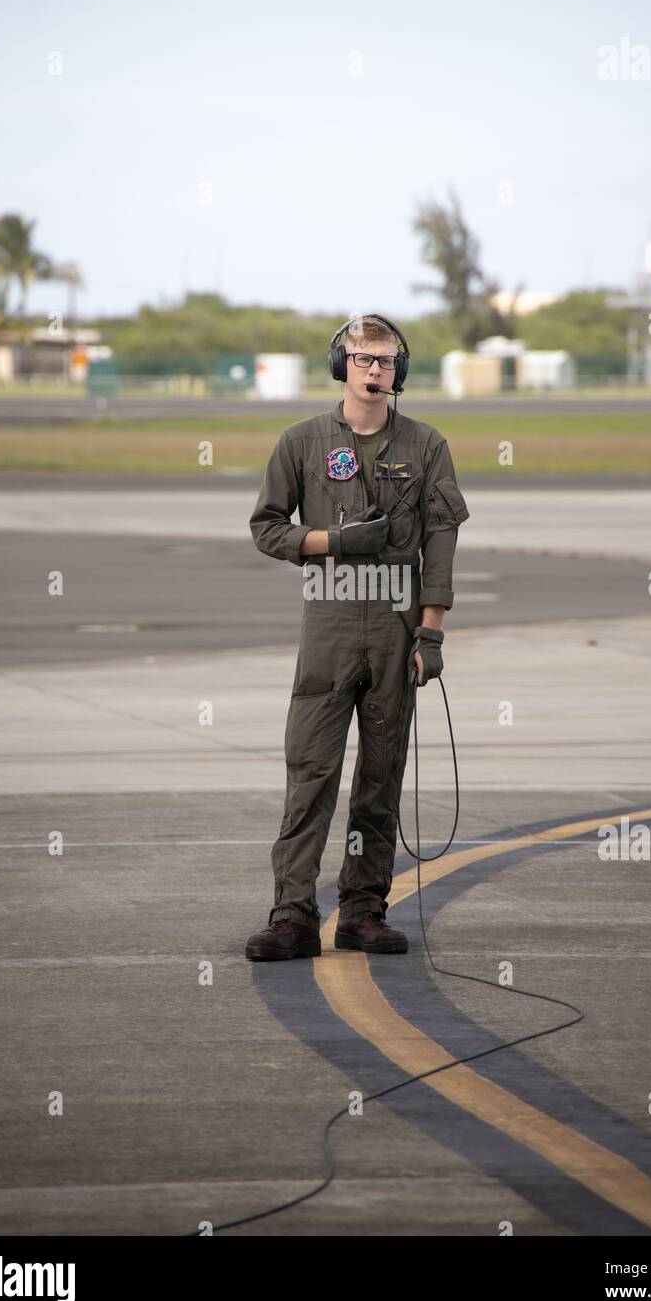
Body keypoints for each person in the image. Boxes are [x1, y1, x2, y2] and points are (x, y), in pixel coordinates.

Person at [245, 313, 469, 960]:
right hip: (330, 622)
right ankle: (290, 915)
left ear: (401, 369)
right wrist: (332, 542)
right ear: (339, 365)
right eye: (363, 358)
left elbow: (442, 543)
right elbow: (266, 527)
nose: (376, 370)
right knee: (310, 770)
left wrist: (433, 634)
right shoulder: (302, 442)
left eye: (386, 360)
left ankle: (363, 910)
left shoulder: (426, 446)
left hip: (398, 625)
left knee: (381, 775)